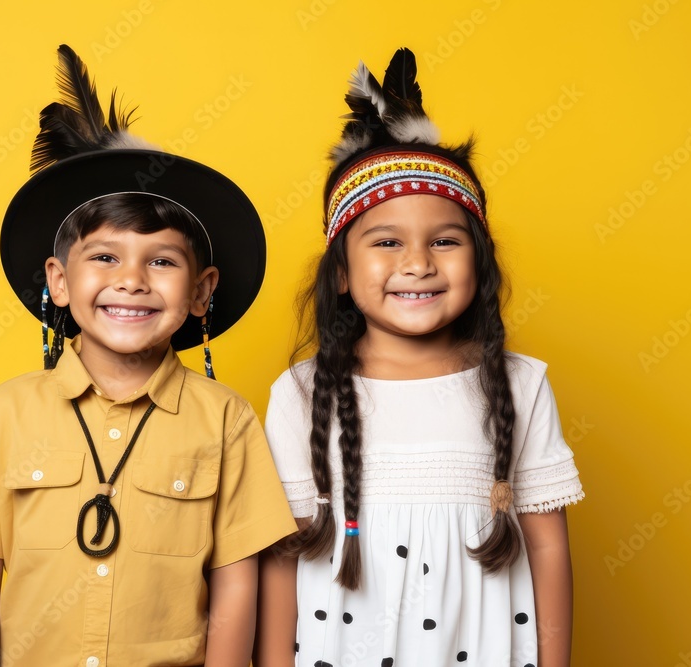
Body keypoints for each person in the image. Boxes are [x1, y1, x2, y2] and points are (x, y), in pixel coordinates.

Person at [0, 45, 296, 667]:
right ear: (59, 281)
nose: (132, 280)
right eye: (105, 257)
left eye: (161, 261)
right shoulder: (5, 412)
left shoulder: (227, 419)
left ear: (203, 290)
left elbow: (238, 577)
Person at [255, 48, 584, 667]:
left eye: (444, 240)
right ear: (343, 274)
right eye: (386, 242)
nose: (418, 263)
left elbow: (546, 549)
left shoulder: (521, 384)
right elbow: (281, 556)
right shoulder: (300, 392)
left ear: (478, 262)